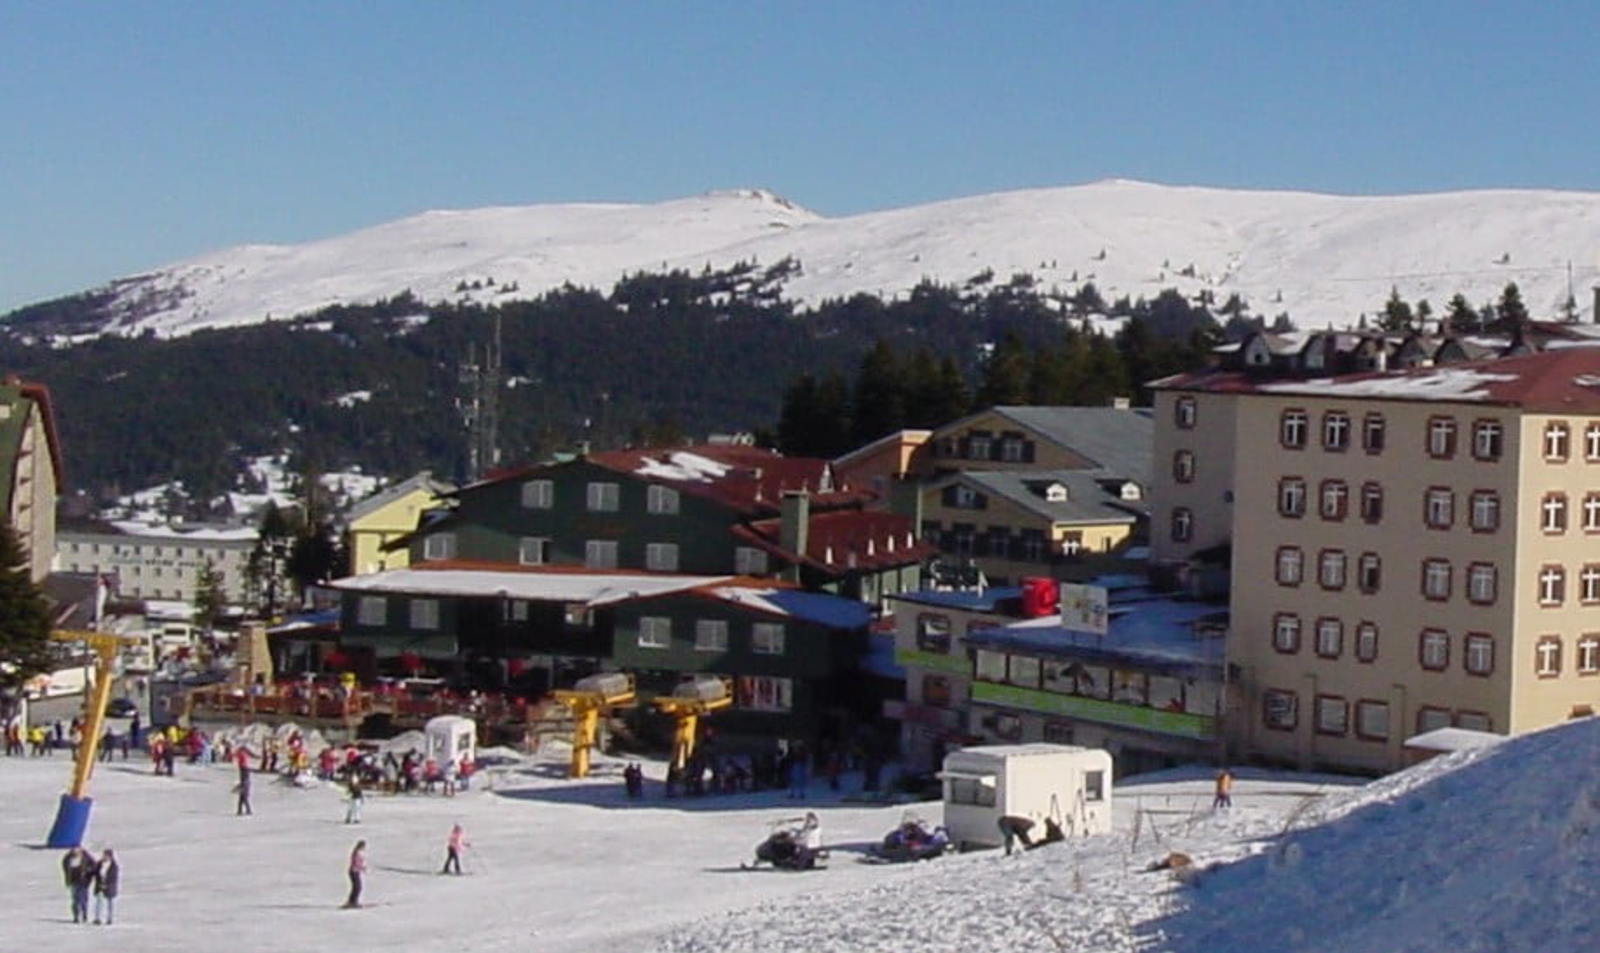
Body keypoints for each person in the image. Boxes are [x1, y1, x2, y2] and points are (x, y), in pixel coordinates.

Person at [62, 846, 92, 923]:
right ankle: (76, 916)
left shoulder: (86, 857)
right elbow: (65, 868)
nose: (75, 852)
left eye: (77, 850)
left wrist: (88, 872)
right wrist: (67, 879)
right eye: (74, 850)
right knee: (75, 900)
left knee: (83, 899)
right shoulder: (68, 858)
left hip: (83, 882)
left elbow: (93, 866)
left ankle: (84, 915)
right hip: (73, 881)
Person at [93, 848, 119, 925]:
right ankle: (98, 918)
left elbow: (113, 877)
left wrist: (107, 884)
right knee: (99, 902)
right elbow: (95, 873)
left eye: (106, 855)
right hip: (100, 885)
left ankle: (109, 918)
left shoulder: (114, 866)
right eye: (104, 855)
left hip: (109, 886)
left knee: (110, 903)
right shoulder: (99, 864)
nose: (104, 857)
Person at [344, 840, 367, 908]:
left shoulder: (358, 852)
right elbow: (356, 862)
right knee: (357, 887)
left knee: (357, 887)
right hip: (354, 871)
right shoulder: (357, 853)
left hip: (355, 871)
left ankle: (352, 901)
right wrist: (362, 868)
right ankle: (353, 902)